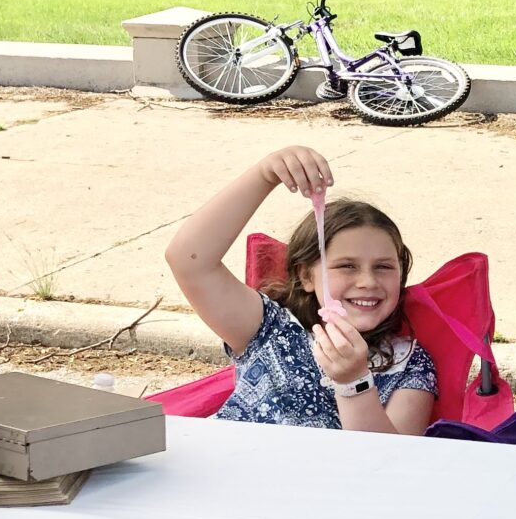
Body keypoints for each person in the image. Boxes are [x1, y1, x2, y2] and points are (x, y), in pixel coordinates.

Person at [164, 145, 436, 433]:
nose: (368, 281)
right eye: (347, 266)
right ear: (306, 275)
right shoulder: (268, 329)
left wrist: (353, 382)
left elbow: (394, 465)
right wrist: (264, 174)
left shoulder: (412, 363)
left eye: (383, 267)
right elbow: (188, 260)